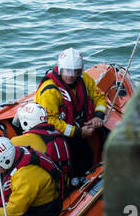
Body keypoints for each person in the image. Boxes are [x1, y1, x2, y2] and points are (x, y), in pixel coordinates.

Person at [35, 47, 108, 176]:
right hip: (60, 136)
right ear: (60, 69)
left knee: (101, 139)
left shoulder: (84, 80)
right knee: (75, 164)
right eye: (67, 71)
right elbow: (50, 121)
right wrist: (78, 132)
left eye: (75, 71)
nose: (71, 75)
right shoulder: (50, 91)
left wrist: (98, 116)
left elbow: (99, 98)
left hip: (80, 128)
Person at [11, 101, 71, 195]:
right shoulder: (56, 132)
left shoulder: (23, 140)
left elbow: (7, 148)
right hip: (64, 183)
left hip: (50, 190)